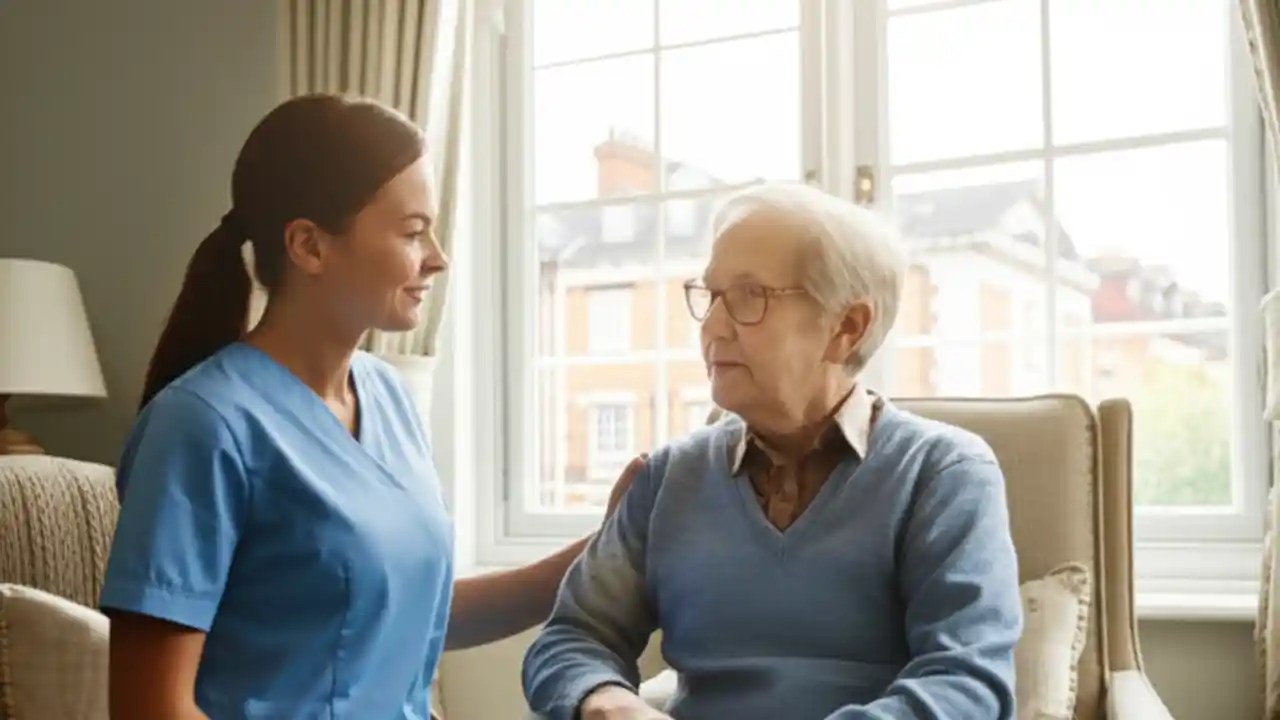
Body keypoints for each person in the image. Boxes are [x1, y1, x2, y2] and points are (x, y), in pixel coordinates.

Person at [99, 93, 640, 720]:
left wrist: (604, 549)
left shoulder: (388, 396)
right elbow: (150, 708)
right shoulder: (201, 427)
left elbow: (410, 613)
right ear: (309, 245)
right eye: (413, 232)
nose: (437, 257)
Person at [522, 182, 1023, 720]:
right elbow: (574, 636)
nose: (713, 326)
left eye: (748, 297)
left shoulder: (944, 475)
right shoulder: (667, 479)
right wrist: (607, 701)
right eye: (710, 296)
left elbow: (967, 683)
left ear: (846, 328)